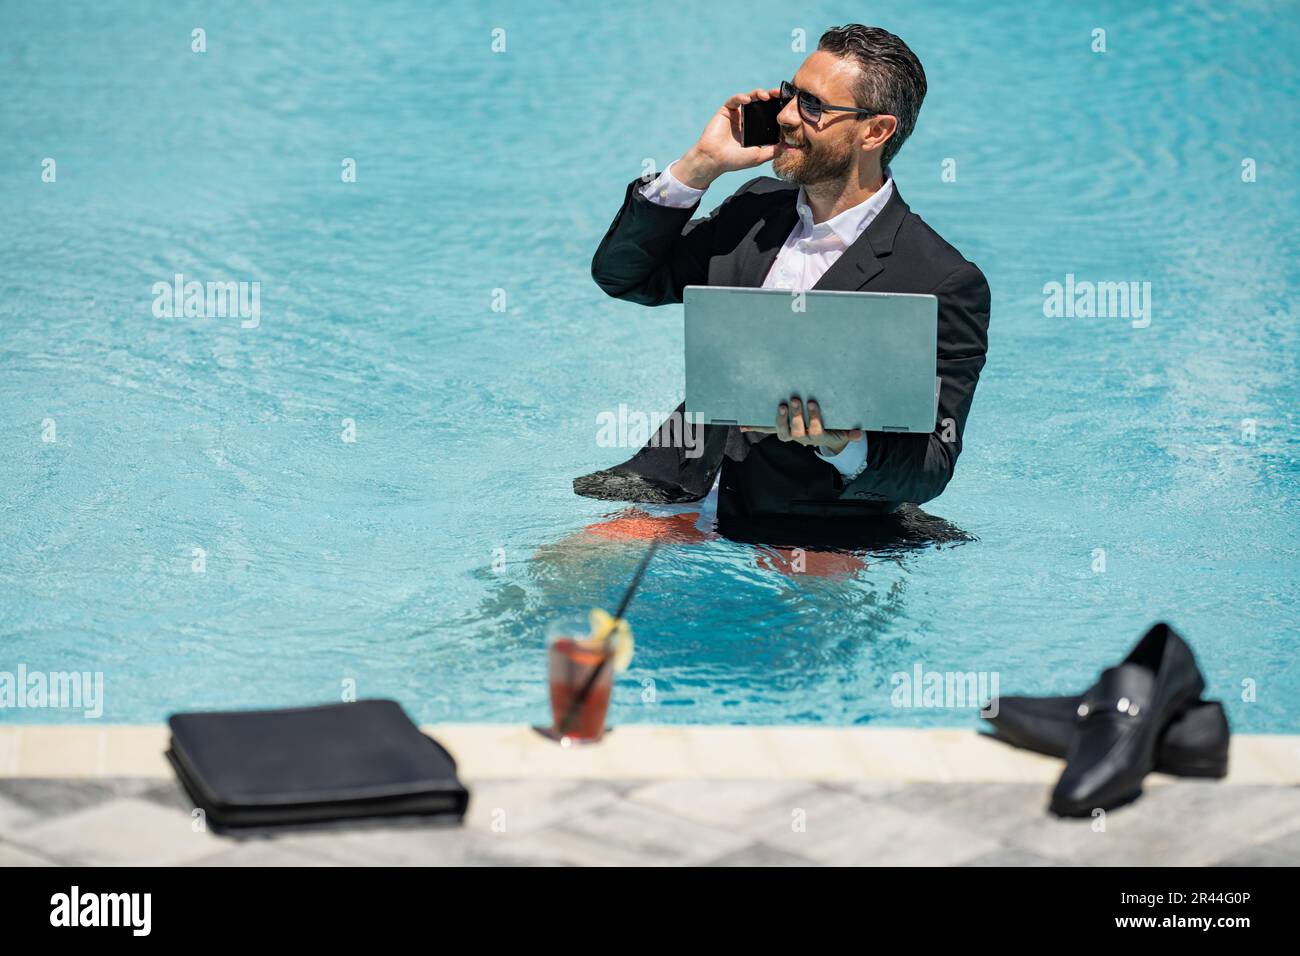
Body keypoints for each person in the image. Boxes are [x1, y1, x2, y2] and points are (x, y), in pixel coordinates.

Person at [581, 24, 991, 546]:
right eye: (790, 93)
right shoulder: (755, 207)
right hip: (680, 483)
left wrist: (844, 444)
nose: (784, 116)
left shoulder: (942, 280)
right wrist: (698, 168)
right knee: (560, 585)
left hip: (817, 523)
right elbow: (624, 276)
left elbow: (931, 465)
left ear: (875, 131)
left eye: (813, 107)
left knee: (800, 626)